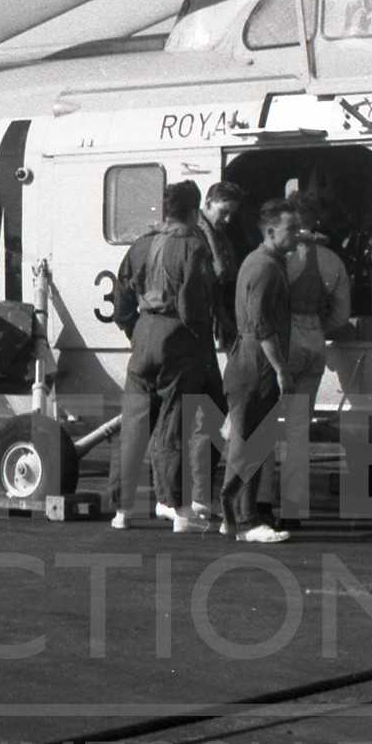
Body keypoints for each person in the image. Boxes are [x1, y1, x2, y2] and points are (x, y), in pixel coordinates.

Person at [110, 181, 215, 531]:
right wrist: (198, 335)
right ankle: (178, 507)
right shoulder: (194, 247)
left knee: (134, 425)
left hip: (143, 333)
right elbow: (193, 304)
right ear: (194, 209)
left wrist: (135, 331)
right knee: (174, 425)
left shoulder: (141, 244)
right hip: (178, 338)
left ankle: (122, 510)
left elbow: (121, 299)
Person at [156, 180, 243, 528]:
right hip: (195, 335)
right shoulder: (194, 240)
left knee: (204, 413)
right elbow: (203, 287)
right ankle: (179, 500)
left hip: (203, 331)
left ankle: (195, 497)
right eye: (224, 212)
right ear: (205, 204)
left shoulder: (210, 235)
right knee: (187, 417)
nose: (227, 220)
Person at [219, 198, 301, 543]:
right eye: (292, 229)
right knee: (252, 442)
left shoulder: (263, 261)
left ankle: (235, 515)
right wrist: (281, 369)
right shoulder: (265, 268)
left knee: (250, 438)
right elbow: (263, 325)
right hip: (257, 363)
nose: (297, 235)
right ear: (270, 231)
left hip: (249, 359)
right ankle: (246, 520)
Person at [278, 197, 353, 519]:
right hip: (314, 340)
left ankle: (262, 499)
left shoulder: (279, 257)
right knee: (298, 426)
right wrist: (319, 329)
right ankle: (295, 501)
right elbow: (341, 315)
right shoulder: (332, 260)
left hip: (283, 341)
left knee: (265, 422)